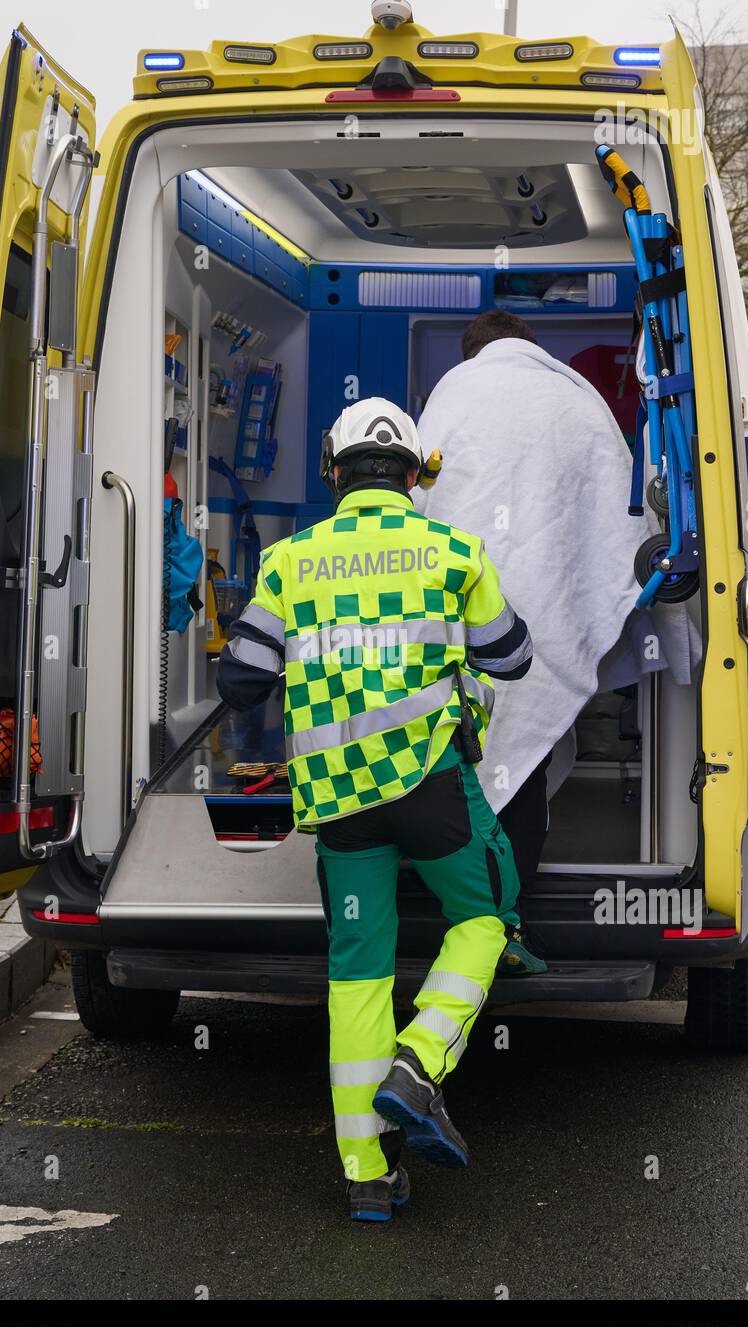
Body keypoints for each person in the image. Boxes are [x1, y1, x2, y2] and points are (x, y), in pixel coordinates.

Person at [218, 397, 532, 1222]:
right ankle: (420, 1063)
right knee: (486, 915)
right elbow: (514, 656)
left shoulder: (290, 560)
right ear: (416, 475)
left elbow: (242, 678)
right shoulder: (454, 551)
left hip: (339, 805)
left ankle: (369, 1179)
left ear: (333, 473)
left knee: (356, 976)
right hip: (431, 788)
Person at [413, 310, 700, 936]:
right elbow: (616, 507)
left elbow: (416, 501)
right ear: (531, 346)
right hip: (542, 615)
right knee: (524, 759)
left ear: (470, 353)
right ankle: (505, 917)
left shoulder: (450, 396)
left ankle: (440, 906)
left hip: (456, 612)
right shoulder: (578, 399)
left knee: (447, 751)